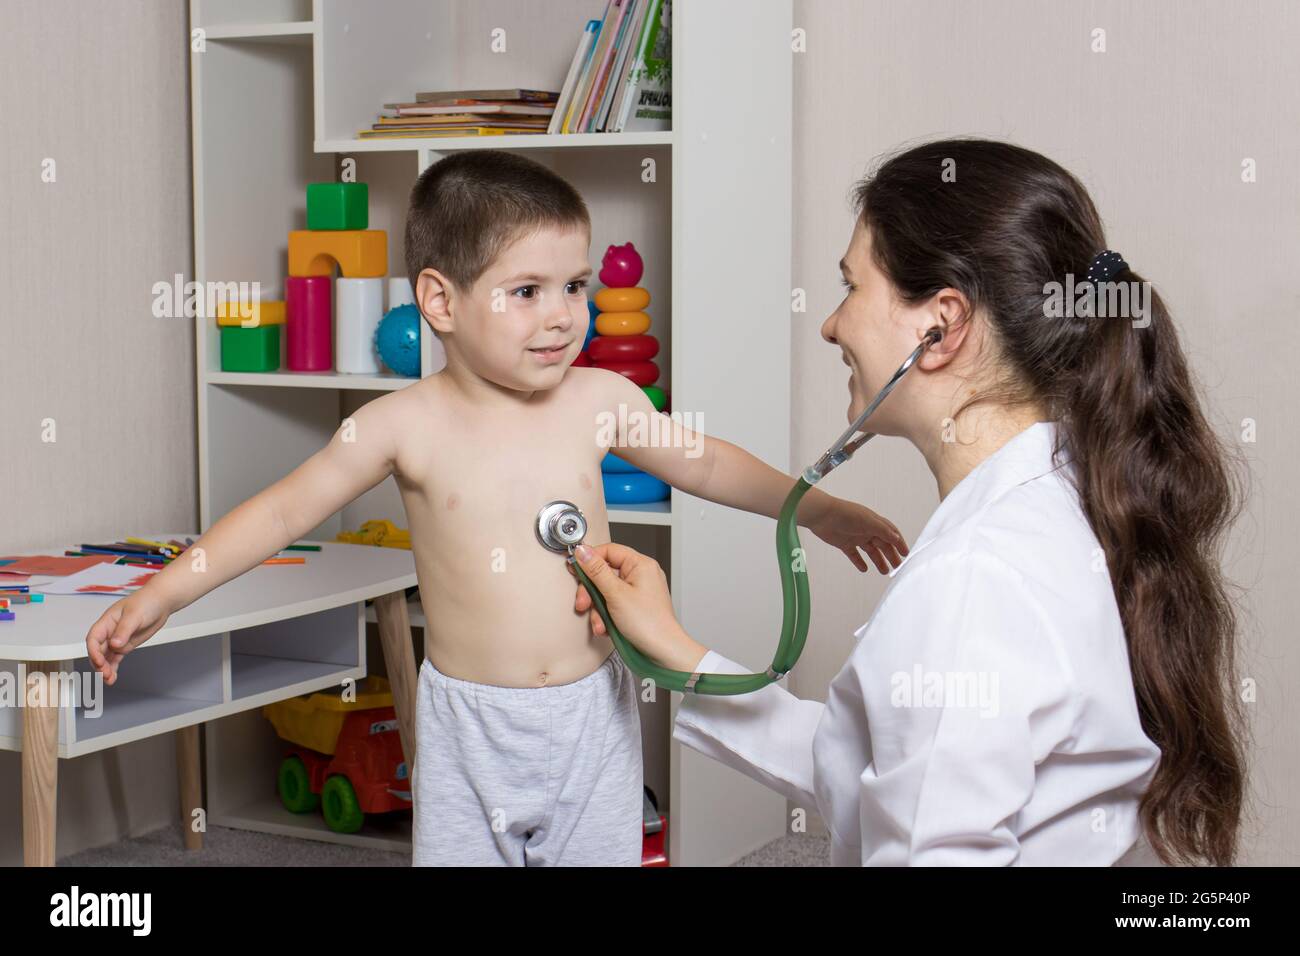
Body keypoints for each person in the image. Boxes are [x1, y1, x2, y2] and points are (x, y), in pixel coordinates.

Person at [84, 150, 907, 867]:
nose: (562, 315)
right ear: (440, 303)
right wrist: (161, 594)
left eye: (575, 285)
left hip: (593, 709)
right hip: (467, 724)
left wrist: (813, 509)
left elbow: (707, 464)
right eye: (527, 290)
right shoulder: (402, 425)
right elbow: (278, 513)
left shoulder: (598, 398)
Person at [571, 138, 1247, 866]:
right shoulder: (1067, 497)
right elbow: (869, 763)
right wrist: (677, 652)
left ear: (940, 328)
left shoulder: (973, 581)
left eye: (850, 288)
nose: (831, 324)